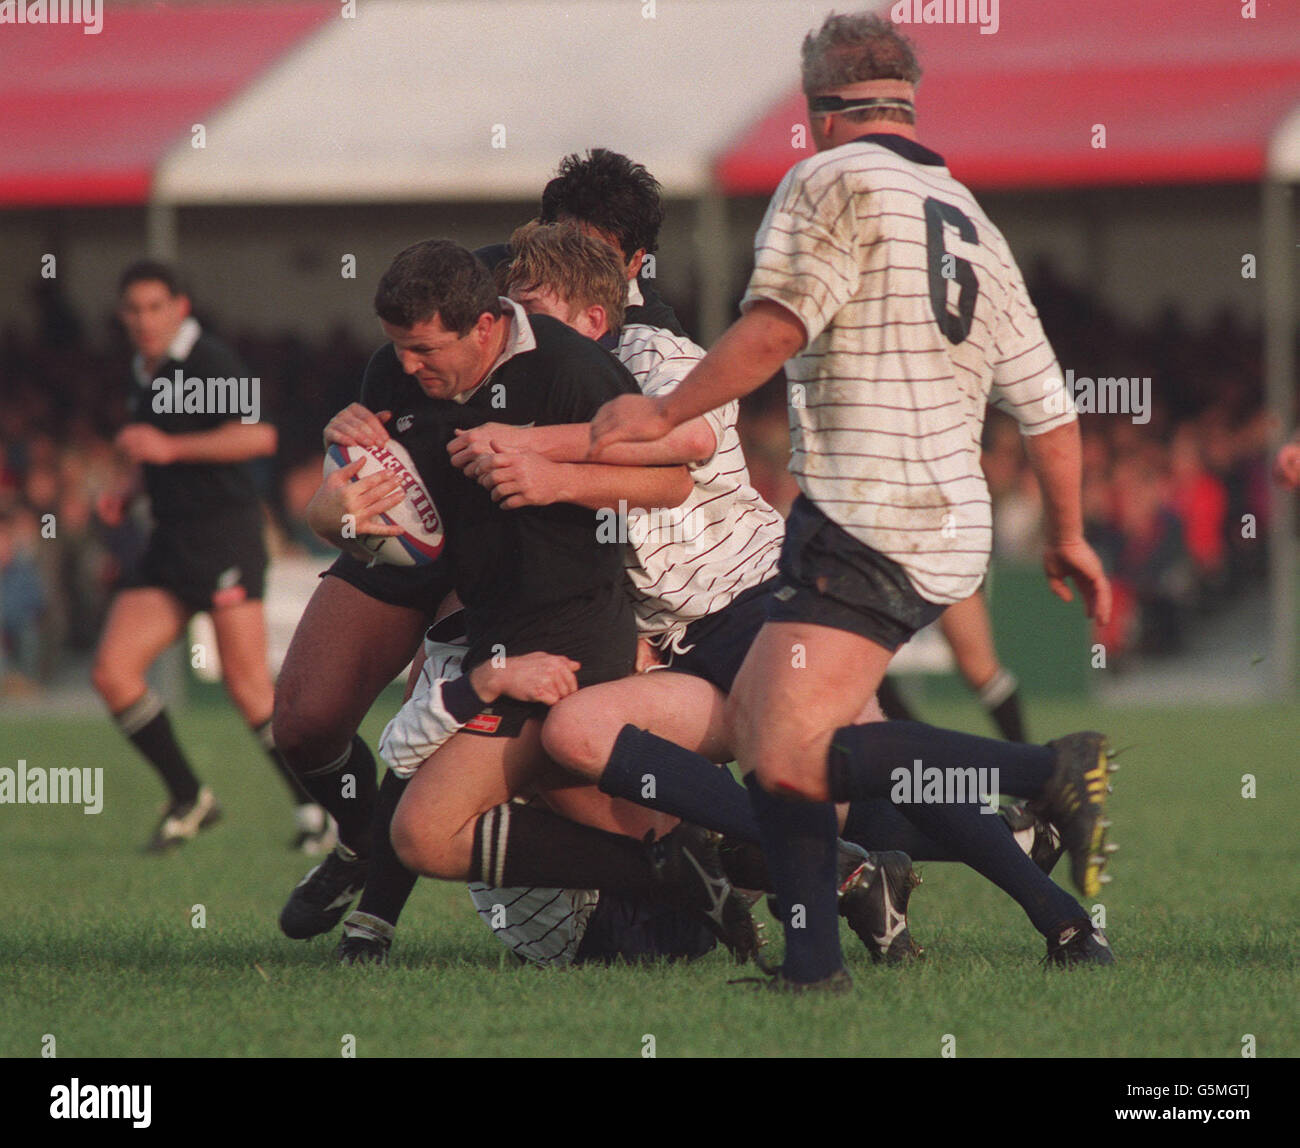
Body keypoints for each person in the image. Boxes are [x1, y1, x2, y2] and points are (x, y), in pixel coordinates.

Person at [590, 12, 1116, 990]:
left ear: (820, 107)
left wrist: (661, 407)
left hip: (869, 507)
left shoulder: (825, 180)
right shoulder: (965, 213)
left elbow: (774, 327)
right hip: (940, 518)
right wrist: (1069, 533)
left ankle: (1044, 771)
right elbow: (1047, 402)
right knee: (774, 737)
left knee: (792, 748)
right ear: (905, 99)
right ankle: (814, 964)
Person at [284, 238, 760, 961]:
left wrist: (552, 474)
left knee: (434, 824)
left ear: (482, 327)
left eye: (422, 350)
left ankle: (785, 863)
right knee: (416, 783)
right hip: (491, 626)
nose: (406, 368)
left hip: (566, 642)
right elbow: (374, 516)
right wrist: (333, 516)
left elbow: (673, 476)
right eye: (398, 350)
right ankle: (708, 872)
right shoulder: (396, 371)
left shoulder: (568, 366)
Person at [92, 260, 330, 853]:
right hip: (169, 541)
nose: (145, 320)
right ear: (123, 316)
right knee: (113, 673)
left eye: (155, 307)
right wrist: (129, 492)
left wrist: (167, 448)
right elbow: (156, 455)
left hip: (223, 537)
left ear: (180, 307)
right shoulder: (143, 369)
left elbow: (260, 436)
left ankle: (318, 812)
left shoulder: (209, 362)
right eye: (134, 310)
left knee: (248, 688)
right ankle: (189, 796)